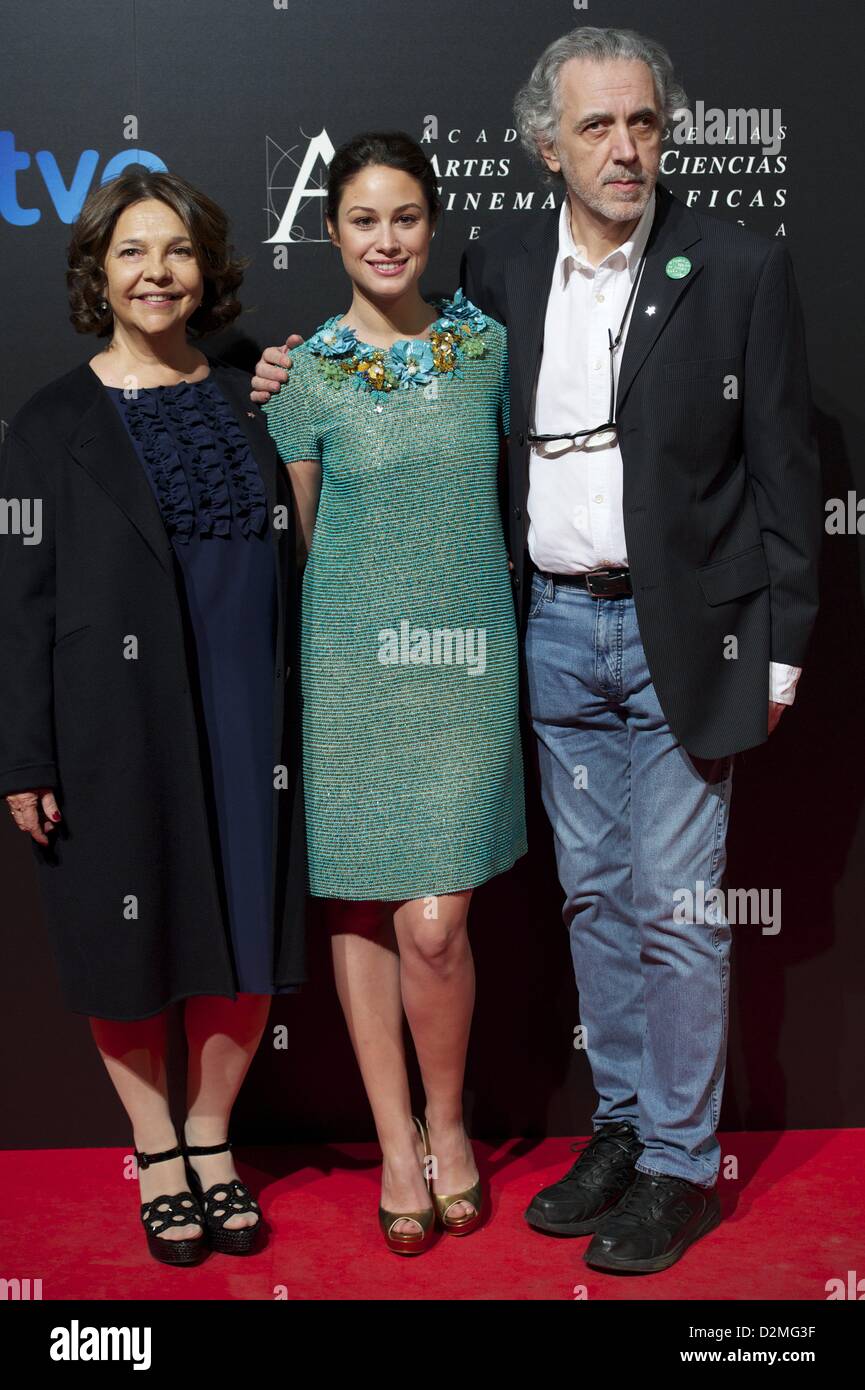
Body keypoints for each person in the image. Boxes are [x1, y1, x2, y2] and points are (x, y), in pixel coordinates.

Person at [253, 28, 821, 1274]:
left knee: (677, 908)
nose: (625, 149)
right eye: (597, 128)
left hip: (691, 637)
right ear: (544, 145)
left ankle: (678, 1162)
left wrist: (777, 652)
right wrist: (287, 370)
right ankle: (621, 1125)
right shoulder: (499, 268)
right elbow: (395, 392)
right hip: (551, 632)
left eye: (644, 124)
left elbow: (785, 466)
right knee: (596, 902)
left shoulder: (735, 266)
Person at [0, 167, 306, 1264]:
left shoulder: (250, 393)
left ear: (204, 268)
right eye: (131, 250)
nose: (156, 272)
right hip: (109, 715)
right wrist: (25, 752)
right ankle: (156, 1149)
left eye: (175, 250)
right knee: (121, 934)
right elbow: (18, 602)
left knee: (242, 925)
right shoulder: (47, 425)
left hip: (246, 706)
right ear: (98, 271)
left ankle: (213, 1139)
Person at [260, 131, 526, 1254]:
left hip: (465, 662)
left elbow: (521, 498)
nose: (385, 239)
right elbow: (308, 537)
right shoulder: (304, 371)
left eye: (405, 217)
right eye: (363, 219)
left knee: (434, 924)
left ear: (430, 226)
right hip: (353, 663)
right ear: (330, 232)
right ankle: (397, 1143)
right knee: (362, 907)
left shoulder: (491, 350)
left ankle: (450, 1126)